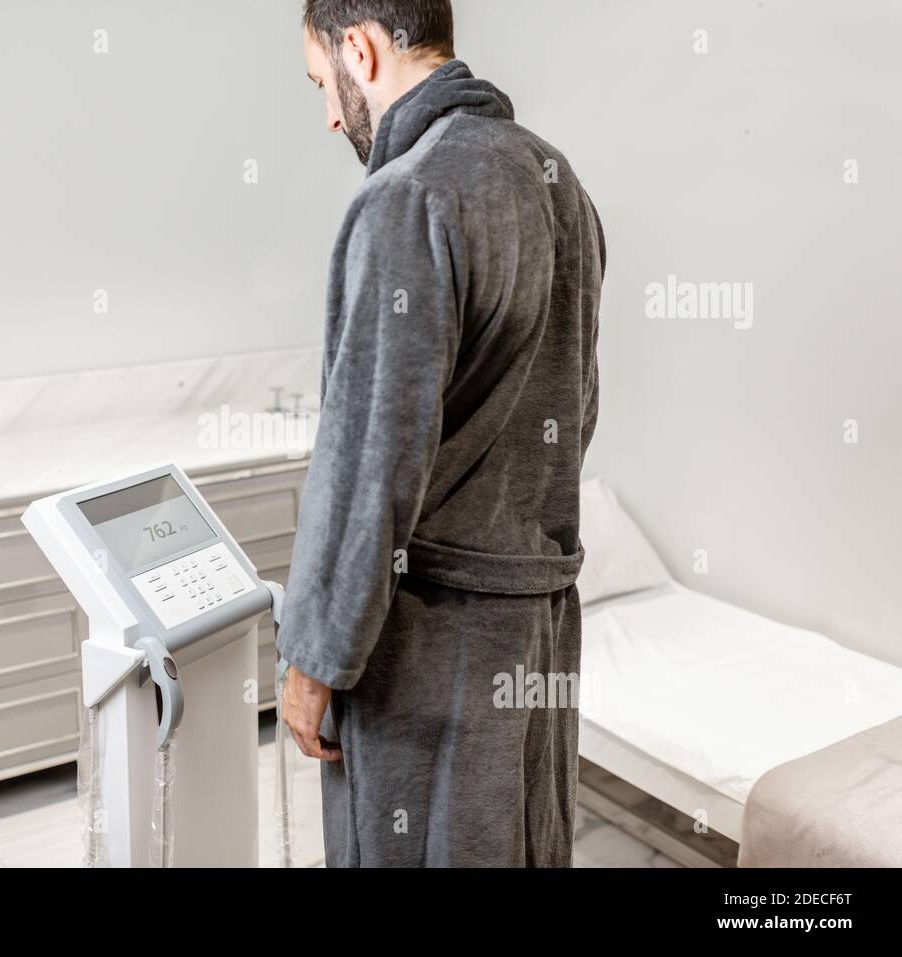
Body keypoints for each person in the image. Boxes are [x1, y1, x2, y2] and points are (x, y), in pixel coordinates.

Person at [276, 0, 605, 867]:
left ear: (361, 47)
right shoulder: (558, 182)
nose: (329, 114)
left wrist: (313, 660)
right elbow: (576, 411)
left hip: (434, 646)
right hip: (539, 629)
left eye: (323, 83)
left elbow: (367, 462)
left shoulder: (405, 195)